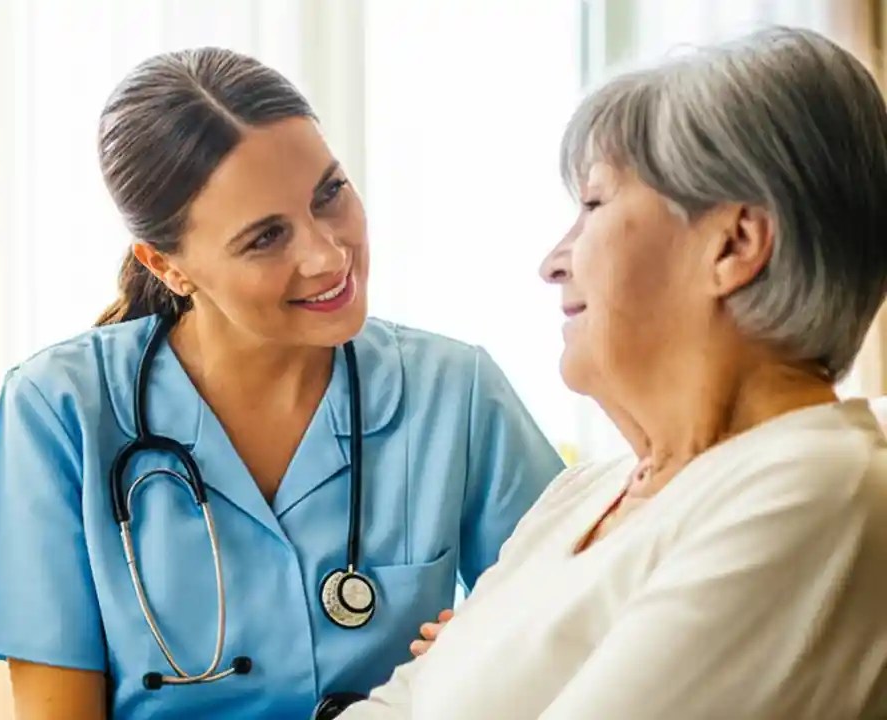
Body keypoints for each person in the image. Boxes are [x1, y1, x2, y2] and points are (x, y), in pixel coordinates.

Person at [0, 46, 564, 719]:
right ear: (168, 265)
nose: (327, 255)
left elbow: (579, 627)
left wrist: (492, 659)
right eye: (266, 237)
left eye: (330, 193)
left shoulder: (453, 393)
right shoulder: (62, 409)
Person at [340, 26, 887, 719]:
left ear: (734, 244)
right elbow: (398, 705)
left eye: (595, 205)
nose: (553, 261)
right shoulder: (584, 495)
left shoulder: (814, 485)